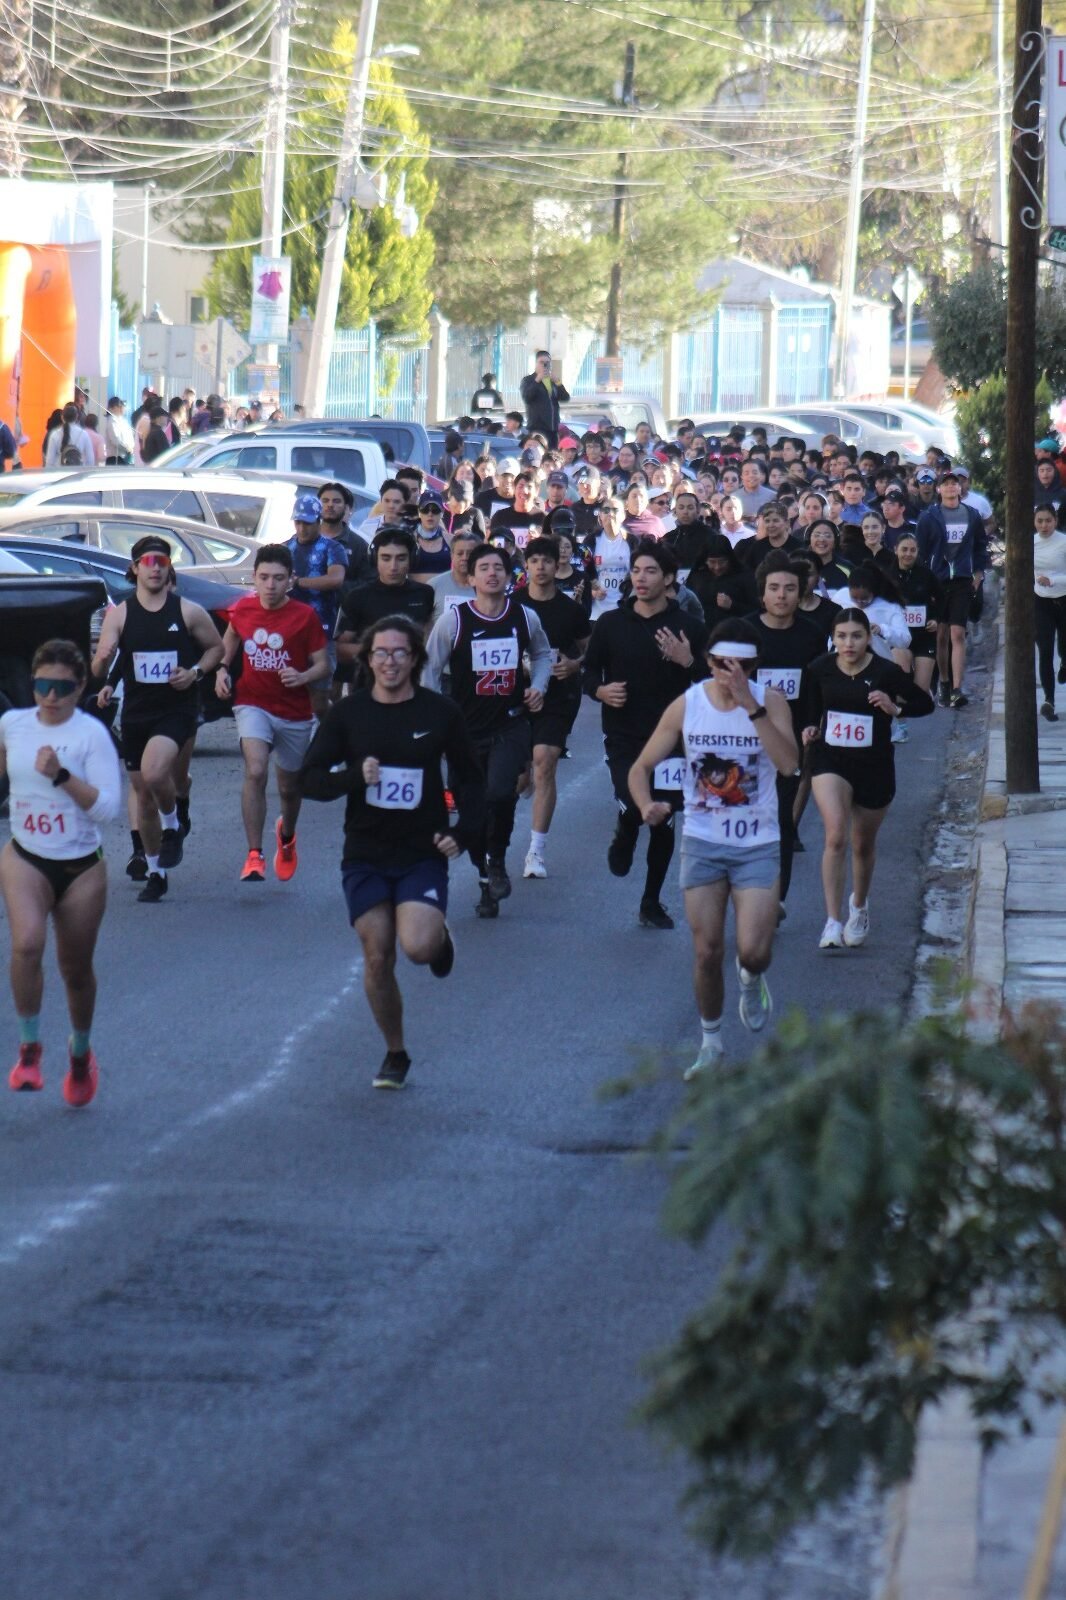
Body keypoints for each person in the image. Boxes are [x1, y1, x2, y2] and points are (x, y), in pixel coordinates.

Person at [300, 615, 486, 1091]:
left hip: (421, 850)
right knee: (378, 955)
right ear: (366, 659)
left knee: (418, 948)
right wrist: (351, 777)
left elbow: (469, 779)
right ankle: (395, 1052)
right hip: (365, 851)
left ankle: (440, 939)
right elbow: (311, 780)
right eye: (380, 653)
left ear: (416, 659)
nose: (390, 662)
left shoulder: (440, 712)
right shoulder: (349, 714)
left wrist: (462, 833)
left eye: (400, 653)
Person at [628, 618, 797, 1078]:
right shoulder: (689, 705)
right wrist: (646, 806)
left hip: (757, 843)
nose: (732, 674)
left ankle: (751, 977)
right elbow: (640, 767)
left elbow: (788, 766)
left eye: (743, 666)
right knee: (706, 951)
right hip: (703, 843)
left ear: (755, 666)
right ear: (709, 663)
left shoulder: (771, 702)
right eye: (724, 665)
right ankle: (711, 1042)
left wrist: (753, 708)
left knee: (753, 952)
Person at [0, 640, 122, 1106]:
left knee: (74, 970)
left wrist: (62, 776)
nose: (51, 697)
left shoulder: (90, 735)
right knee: (27, 944)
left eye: (62, 688)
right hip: (26, 855)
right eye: (42, 686)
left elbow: (108, 809)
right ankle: (29, 1049)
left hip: (80, 866)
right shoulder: (12, 725)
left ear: (81, 687)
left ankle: (80, 1052)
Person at [583, 540, 708, 930]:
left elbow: (712, 686)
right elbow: (588, 672)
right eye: (636, 570)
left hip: (674, 740)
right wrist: (600, 691)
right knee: (638, 806)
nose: (641, 577)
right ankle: (625, 827)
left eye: (651, 571)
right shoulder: (611, 623)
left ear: (669, 578)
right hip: (624, 735)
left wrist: (687, 661)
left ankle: (651, 901)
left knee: (664, 816)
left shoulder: (690, 628)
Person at [92, 534, 223, 902]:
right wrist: (104, 662)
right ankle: (156, 870)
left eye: (161, 562)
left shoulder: (187, 611)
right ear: (134, 569)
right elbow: (102, 665)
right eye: (147, 562)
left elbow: (216, 648)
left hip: (176, 708)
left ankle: (173, 824)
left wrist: (195, 673)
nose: (154, 568)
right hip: (137, 711)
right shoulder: (119, 614)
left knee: (154, 773)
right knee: (143, 795)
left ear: (169, 569)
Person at [424, 543, 552, 917]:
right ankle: (485, 877)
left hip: (509, 722)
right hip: (464, 730)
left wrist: (538, 687)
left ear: (510, 576)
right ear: (472, 577)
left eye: (499, 567)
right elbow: (430, 669)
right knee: (471, 813)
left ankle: (496, 860)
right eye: (484, 568)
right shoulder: (454, 621)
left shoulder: (525, 618)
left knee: (498, 793)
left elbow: (544, 654)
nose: (492, 573)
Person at [803, 608, 934, 950]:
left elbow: (924, 703)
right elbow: (808, 708)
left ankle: (858, 906)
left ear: (868, 638)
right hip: (830, 759)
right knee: (835, 835)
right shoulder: (819, 669)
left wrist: (895, 709)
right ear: (833, 638)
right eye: (842, 636)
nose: (848, 643)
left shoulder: (885, 671)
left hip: (873, 764)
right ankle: (831, 922)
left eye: (856, 636)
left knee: (862, 843)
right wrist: (810, 726)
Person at [214, 545, 330, 883]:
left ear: (290, 581)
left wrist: (303, 676)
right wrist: (222, 668)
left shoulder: (304, 616)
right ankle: (254, 855)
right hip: (252, 702)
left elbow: (323, 664)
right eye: (263, 578)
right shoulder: (244, 607)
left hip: (294, 710)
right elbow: (232, 634)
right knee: (255, 769)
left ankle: (287, 836)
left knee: (290, 788)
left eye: (278, 578)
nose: (270, 585)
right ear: (254, 577)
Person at [747, 551, 826, 911]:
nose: (781, 595)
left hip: (790, 744)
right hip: (745, 744)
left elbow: (814, 688)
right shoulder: (746, 632)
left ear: (801, 593)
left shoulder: (812, 636)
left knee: (781, 822)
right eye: (774, 588)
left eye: (790, 588)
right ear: (762, 593)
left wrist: (812, 725)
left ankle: (775, 898)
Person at [516, 536, 590, 879]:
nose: (541, 567)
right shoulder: (511, 606)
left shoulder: (571, 610)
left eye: (547, 561)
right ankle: (522, 775)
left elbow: (590, 651)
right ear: (526, 565)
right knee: (517, 777)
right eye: (534, 561)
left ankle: (536, 851)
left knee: (545, 760)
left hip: (559, 695)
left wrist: (575, 665)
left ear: (556, 566)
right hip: (516, 695)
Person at [915, 470, 987, 708]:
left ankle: (957, 687)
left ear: (959, 488)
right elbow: (921, 552)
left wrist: (978, 572)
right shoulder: (929, 517)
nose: (950, 488)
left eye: (954, 484)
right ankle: (944, 680)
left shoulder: (972, 515)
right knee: (942, 634)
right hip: (938, 580)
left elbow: (980, 547)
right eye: (945, 484)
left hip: (962, 581)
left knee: (958, 633)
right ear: (939, 489)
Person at [285, 491, 347, 718]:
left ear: (318, 521)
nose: (302, 528)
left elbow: (336, 579)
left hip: (322, 628)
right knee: (292, 690)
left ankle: (336, 729)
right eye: (298, 522)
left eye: (308, 523)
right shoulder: (285, 548)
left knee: (320, 698)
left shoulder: (332, 548)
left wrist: (299, 582)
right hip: (290, 629)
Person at [335, 528, 435, 661]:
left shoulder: (425, 594)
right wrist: (381, 652)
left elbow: (432, 639)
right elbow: (339, 646)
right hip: (369, 677)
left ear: (411, 560)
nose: (393, 566)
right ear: (375, 559)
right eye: (386, 558)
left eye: (401, 558)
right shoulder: (357, 597)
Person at [893, 533, 942, 700]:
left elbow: (942, 600)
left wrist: (936, 619)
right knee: (900, 686)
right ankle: (901, 724)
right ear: (896, 550)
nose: (908, 554)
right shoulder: (887, 574)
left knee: (920, 694)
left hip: (924, 636)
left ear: (917, 552)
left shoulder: (926, 574)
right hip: (899, 637)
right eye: (904, 549)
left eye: (912, 550)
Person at [1033, 503, 1066, 721]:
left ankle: (1064, 662)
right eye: (1040, 521)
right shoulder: (1030, 542)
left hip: (1063, 598)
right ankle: (1049, 700)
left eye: (1048, 521)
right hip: (1041, 601)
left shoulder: (1063, 541)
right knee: (1045, 651)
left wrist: (1052, 580)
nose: (1044, 526)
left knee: (1063, 646)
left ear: (1055, 520)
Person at [686, 532, 759, 624]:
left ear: (730, 559)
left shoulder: (744, 576)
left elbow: (756, 611)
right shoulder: (697, 576)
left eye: (722, 562)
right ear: (705, 560)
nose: (717, 567)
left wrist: (732, 605)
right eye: (712, 562)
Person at [588, 497, 636, 620]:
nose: (610, 514)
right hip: (596, 612)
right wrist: (592, 591)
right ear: (600, 516)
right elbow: (583, 570)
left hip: (624, 610)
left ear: (623, 515)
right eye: (606, 510)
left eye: (615, 510)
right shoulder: (591, 540)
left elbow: (637, 573)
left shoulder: (632, 541)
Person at [520, 350, 570, 449]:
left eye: (547, 362)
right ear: (536, 363)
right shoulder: (528, 380)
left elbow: (565, 397)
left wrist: (558, 383)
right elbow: (527, 397)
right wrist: (537, 380)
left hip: (553, 428)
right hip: (537, 427)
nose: (545, 365)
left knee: (552, 455)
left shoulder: (552, 381)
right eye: (541, 362)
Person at [428, 528, 480, 623]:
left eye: (470, 553)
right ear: (452, 555)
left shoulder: (487, 587)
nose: (464, 558)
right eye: (460, 553)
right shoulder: (433, 585)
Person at [44, 402, 94, 468]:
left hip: (59, 473)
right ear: (76, 417)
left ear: (62, 417)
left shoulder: (55, 434)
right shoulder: (83, 434)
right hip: (78, 473)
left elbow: (50, 461)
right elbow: (90, 459)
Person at [103, 396, 135, 465]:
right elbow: (116, 439)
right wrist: (127, 448)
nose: (121, 408)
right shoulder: (112, 421)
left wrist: (131, 447)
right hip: (115, 458)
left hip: (126, 457)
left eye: (122, 406)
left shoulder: (123, 421)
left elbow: (130, 436)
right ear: (111, 408)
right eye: (118, 406)